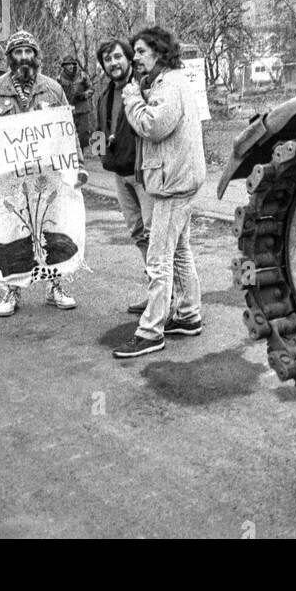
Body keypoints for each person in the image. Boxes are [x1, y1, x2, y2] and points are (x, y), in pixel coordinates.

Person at [0, 30, 87, 317]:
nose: (24, 58)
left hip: (46, 177)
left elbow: (68, 130)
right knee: (10, 231)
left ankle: (55, 286)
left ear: (36, 56)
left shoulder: (53, 89)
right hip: (10, 181)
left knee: (51, 228)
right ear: (10, 58)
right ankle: (12, 289)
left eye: (28, 52)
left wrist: (77, 165)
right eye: (18, 53)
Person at [111, 25, 205, 359]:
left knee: (159, 256)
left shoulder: (170, 84)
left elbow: (153, 126)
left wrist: (133, 99)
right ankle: (189, 315)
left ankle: (151, 331)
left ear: (159, 52)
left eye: (140, 51)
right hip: (180, 178)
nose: (134, 58)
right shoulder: (171, 81)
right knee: (179, 250)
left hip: (172, 184)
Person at [96, 36, 153, 314]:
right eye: (108, 59)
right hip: (119, 174)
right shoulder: (105, 95)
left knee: (156, 235)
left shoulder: (142, 88)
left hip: (143, 174)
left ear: (129, 58)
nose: (113, 63)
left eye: (117, 57)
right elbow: (97, 129)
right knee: (138, 233)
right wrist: (101, 153)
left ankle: (169, 296)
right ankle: (156, 292)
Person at [58, 56, 93, 150]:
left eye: (72, 64)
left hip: (83, 109)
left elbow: (91, 88)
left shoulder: (83, 75)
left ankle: (81, 152)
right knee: (68, 135)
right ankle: (74, 156)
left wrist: (84, 95)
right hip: (68, 111)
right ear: (64, 66)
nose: (70, 66)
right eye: (67, 64)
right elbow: (57, 94)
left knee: (84, 135)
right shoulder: (59, 78)